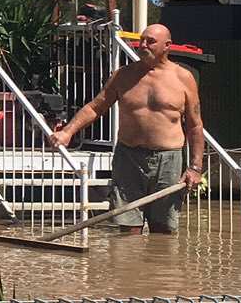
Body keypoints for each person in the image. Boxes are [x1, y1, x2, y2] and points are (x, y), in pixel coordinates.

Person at [49, 24, 204, 234]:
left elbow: (195, 125)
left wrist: (195, 168)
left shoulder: (183, 77)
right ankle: (128, 267)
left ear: (167, 46)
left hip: (168, 161)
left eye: (150, 41)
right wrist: (67, 131)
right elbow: (96, 107)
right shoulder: (123, 75)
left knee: (164, 230)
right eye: (142, 40)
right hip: (128, 158)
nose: (142, 45)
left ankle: (162, 268)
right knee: (128, 229)